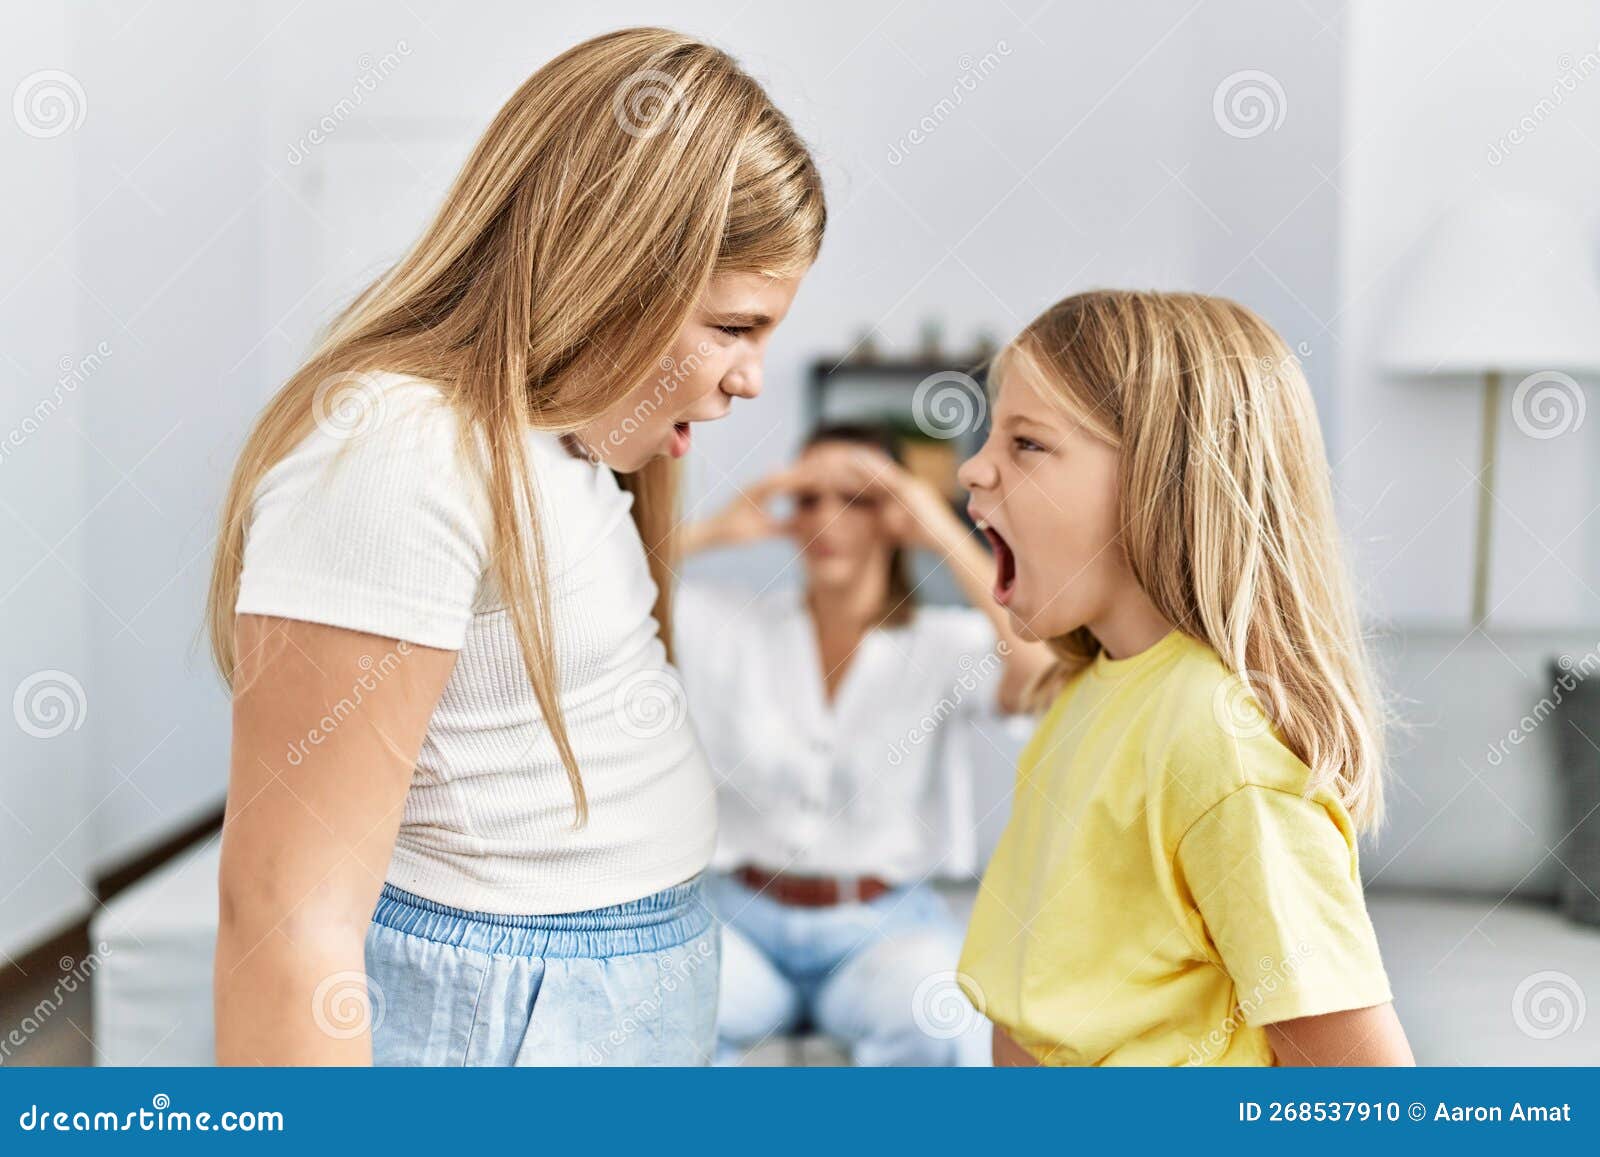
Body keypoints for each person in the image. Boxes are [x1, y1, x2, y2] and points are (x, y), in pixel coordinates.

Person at [206, 27, 825, 1066]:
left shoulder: (570, 443)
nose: (751, 378)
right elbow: (283, 913)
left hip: (610, 988)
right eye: (732, 327)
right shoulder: (399, 450)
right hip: (498, 1012)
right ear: (612, 271)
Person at [955, 290, 1415, 1066]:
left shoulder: (1220, 739)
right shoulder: (1093, 689)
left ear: (1162, 481)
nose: (973, 465)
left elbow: (1367, 1090)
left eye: (1027, 443)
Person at [675, 424, 1053, 1065]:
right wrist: (711, 530)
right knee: (657, 1014)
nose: (829, 519)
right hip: (742, 917)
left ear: (896, 515)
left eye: (857, 499)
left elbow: (1041, 673)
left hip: (883, 927)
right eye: (809, 499)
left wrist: (940, 529)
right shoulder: (730, 626)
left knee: (941, 1024)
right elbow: (581, 591)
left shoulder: (942, 642)